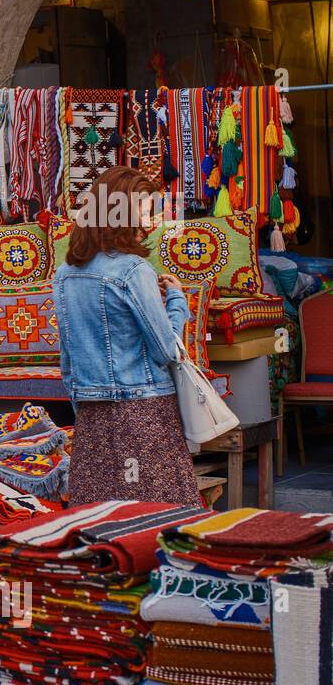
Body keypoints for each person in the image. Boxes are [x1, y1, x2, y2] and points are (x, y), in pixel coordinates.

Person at [54, 166, 199, 506]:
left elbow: (67, 360)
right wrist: (177, 301)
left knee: (98, 517)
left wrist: (84, 401)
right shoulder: (133, 270)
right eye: (146, 208)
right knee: (155, 512)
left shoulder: (64, 275)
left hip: (92, 414)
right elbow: (167, 350)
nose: (150, 218)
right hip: (143, 411)